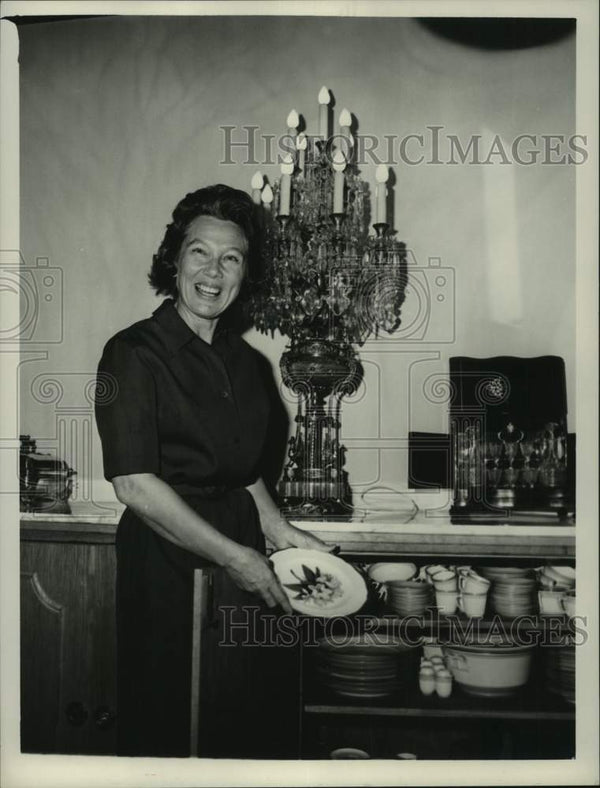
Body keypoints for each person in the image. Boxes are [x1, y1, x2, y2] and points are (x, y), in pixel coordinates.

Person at [95, 184, 331, 758]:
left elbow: (242, 467)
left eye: (232, 258)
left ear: (244, 274)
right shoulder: (132, 353)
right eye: (199, 251)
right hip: (167, 559)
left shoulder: (248, 364)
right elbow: (134, 484)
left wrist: (277, 528)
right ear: (174, 260)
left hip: (243, 553)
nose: (213, 269)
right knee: (169, 718)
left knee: (242, 715)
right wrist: (234, 557)